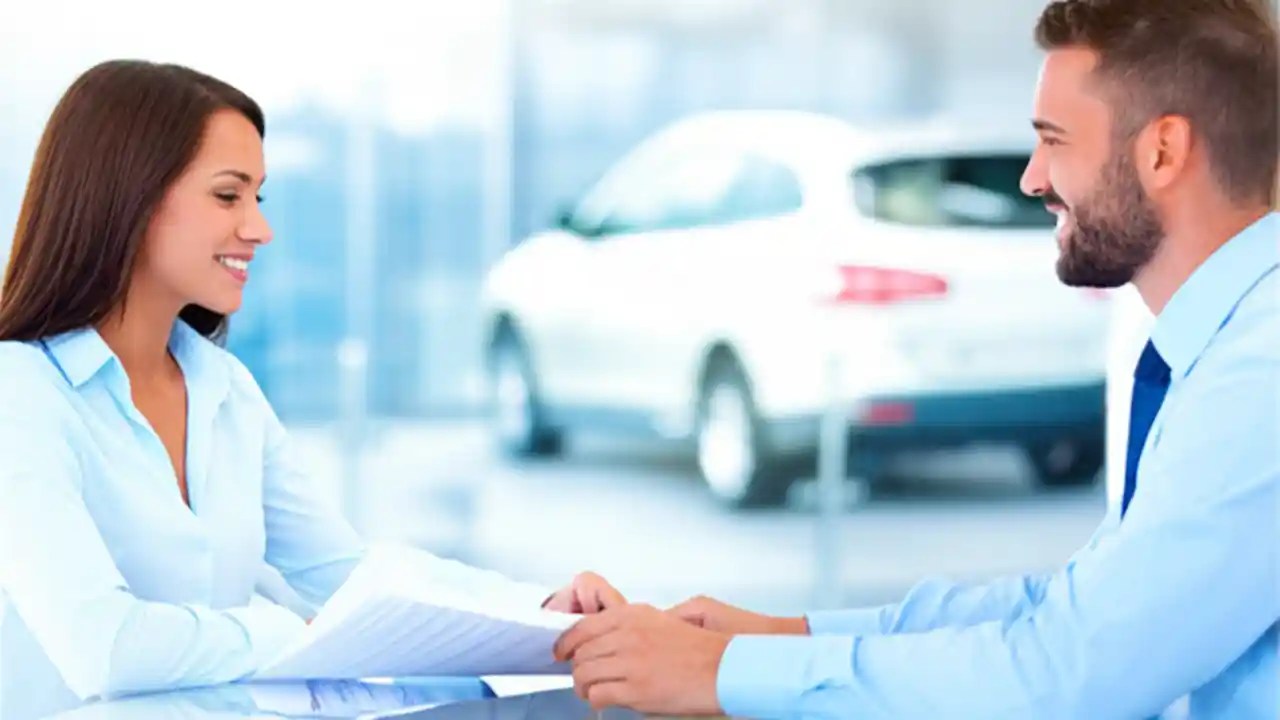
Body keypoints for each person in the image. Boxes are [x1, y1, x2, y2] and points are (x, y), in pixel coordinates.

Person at [553, 0, 1280, 716]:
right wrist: (775, 639)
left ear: (1162, 152)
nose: (1031, 179)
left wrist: (723, 673)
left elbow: (1070, 674)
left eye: (1054, 141)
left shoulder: (1259, 372)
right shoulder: (1235, 346)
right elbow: (1067, 609)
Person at [0, 60, 622, 720]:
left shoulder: (225, 390)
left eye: (257, 199)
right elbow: (101, 647)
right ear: (131, 197)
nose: (258, 229)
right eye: (228, 196)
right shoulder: (21, 392)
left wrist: (538, 612)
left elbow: (346, 571)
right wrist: (287, 633)